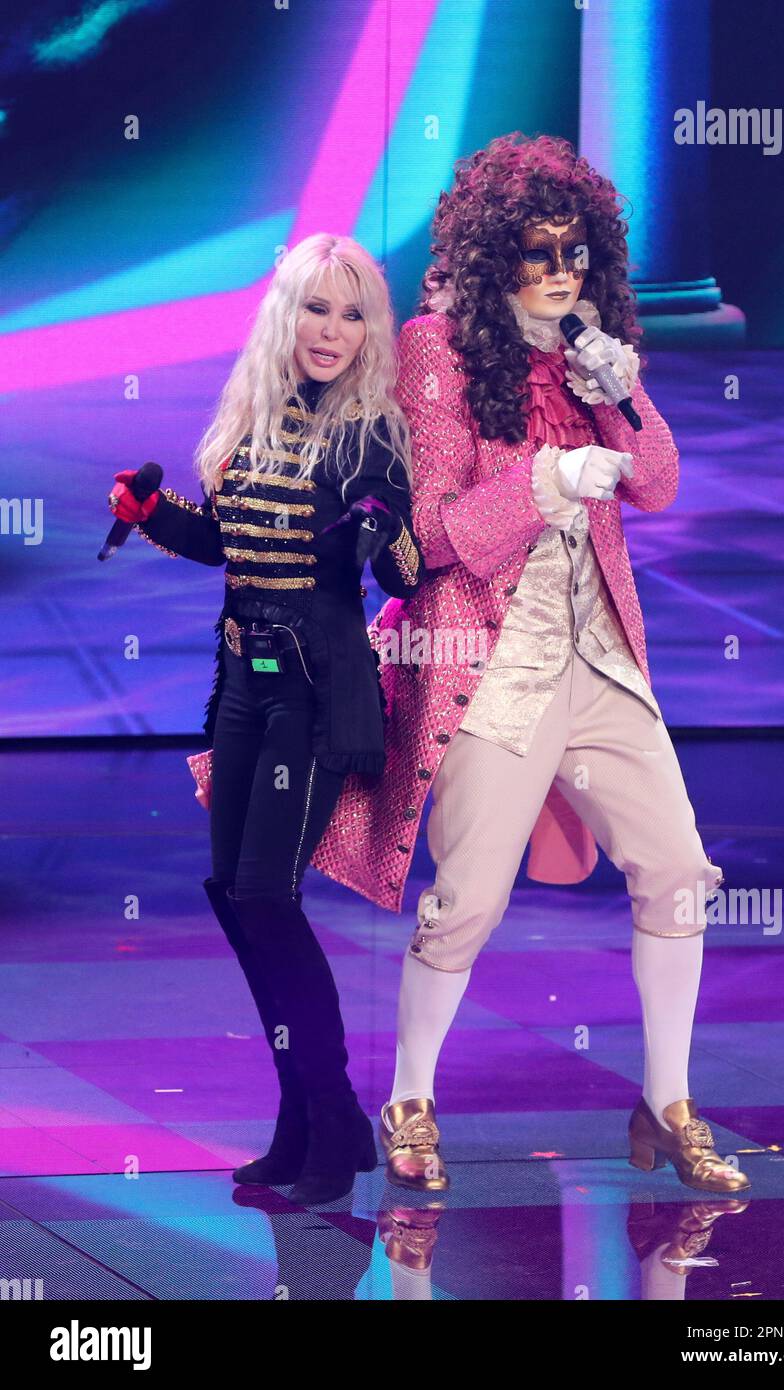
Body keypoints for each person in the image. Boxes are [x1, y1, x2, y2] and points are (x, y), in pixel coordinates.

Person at [311, 134, 751, 1198]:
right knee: (465, 895)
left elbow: (652, 486)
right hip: (489, 661)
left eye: (575, 253)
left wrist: (623, 395)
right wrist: (548, 478)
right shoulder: (434, 350)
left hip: (597, 658)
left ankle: (665, 1099)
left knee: (678, 870)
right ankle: (409, 1096)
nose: (560, 274)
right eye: (537, 253)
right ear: (492, 253)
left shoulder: (584, 351)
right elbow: (429, 535)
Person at [106, 233, 423, 1203]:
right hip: (240, 684)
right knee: (234, 894)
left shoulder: (369, 431)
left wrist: (380, 527)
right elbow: (225, 544)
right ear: (286, 314)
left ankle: (331, 1131)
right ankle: (302, 1124)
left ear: (371, 327)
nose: (331, 330)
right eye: (316, 308)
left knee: (267, 900)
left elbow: (400, 566)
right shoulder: (257, 414)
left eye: (352, 310)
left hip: (316, 694)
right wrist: (152, 512)